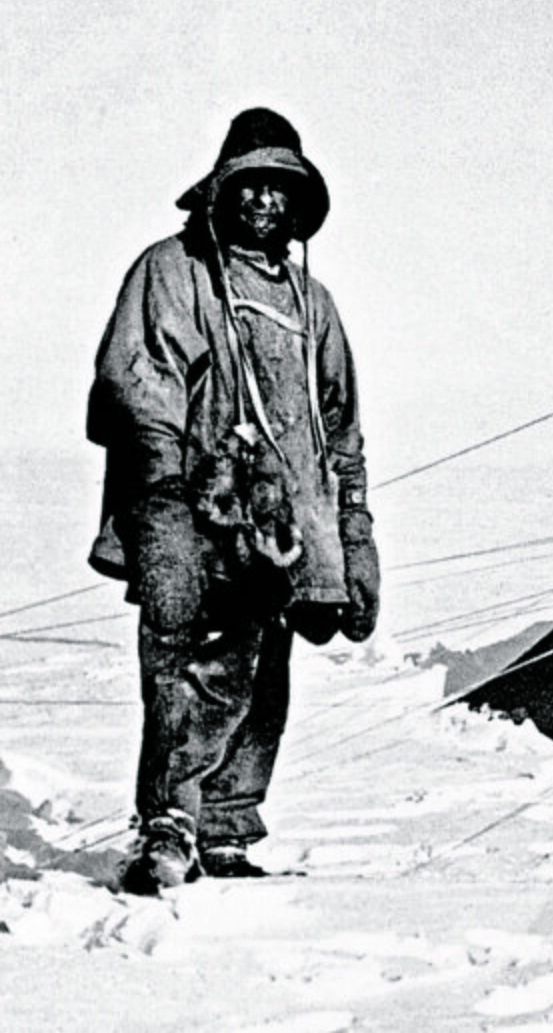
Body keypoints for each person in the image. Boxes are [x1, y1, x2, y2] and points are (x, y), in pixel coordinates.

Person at [87, 108, 380, 894]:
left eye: (279, 187)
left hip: (287, 530)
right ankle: (169, 827)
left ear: (298, 202)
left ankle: (226, 828)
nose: (263, 200)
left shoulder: (312, 304)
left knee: (264, 673)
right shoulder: (174, 270)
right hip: (196, 512)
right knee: (191, 668)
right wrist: (163, 509)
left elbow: (340, 428)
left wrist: (353, 535)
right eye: (249, 183)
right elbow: (139, 384)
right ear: (222, 188)